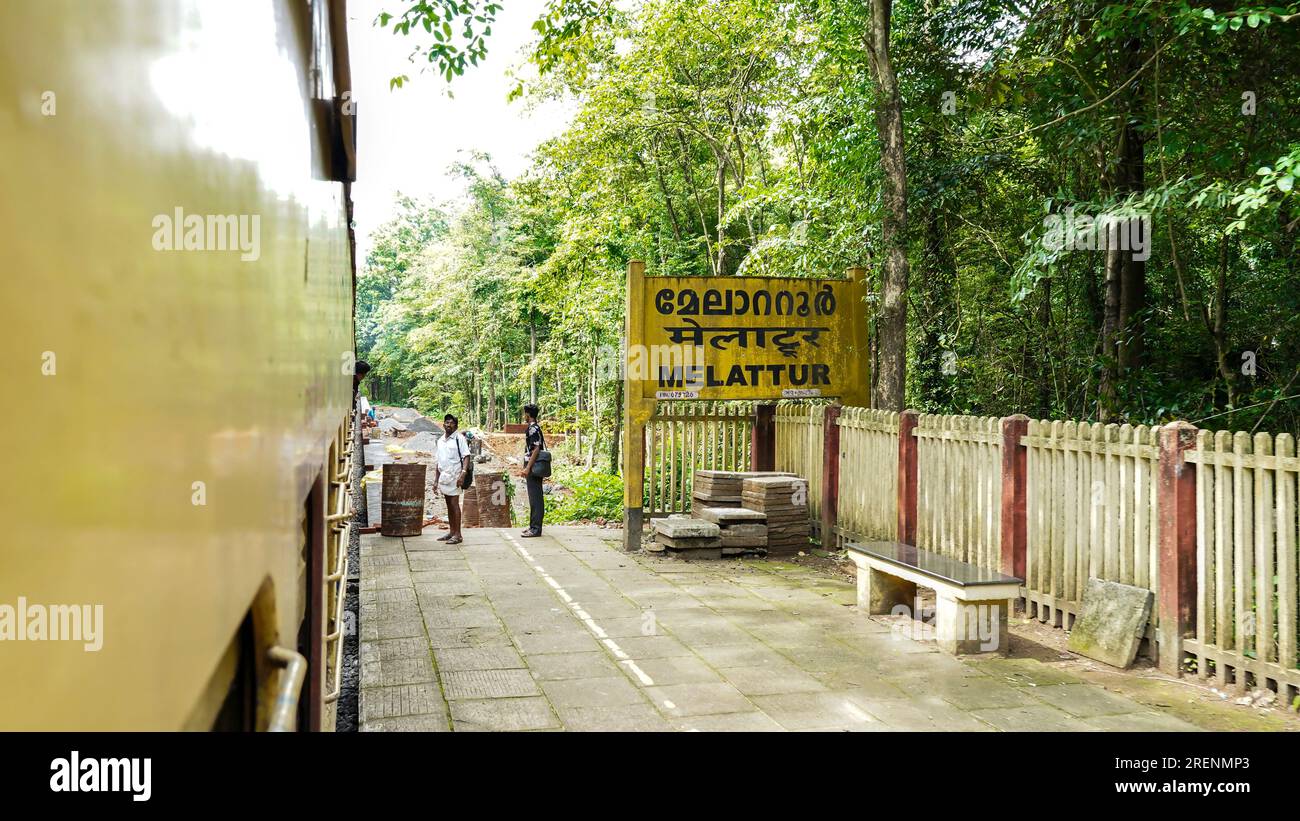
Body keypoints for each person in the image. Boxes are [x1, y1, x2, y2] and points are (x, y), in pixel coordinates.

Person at [434, 413, 471, 544]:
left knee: (454, 504)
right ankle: (451, 532)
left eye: (451, 423)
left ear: (456, 426)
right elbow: (438, 462)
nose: (448, 425)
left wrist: (463, 474)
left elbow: (466, 456)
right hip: (445, 477)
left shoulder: (459, 438)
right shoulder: (440, 441)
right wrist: (436, 480)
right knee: (449, 504)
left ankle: (458, 535)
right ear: (443, 424)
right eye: (447, 422)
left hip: (456, 476)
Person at [517, 404, 545, 538]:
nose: (524, 416)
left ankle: (535, 529)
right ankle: (533, 526)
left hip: (533, 467)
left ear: (528, 415)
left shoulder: (533, 428)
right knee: (534, 497)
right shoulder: (534, 428)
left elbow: (536, 449)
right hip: (533, 466)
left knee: (535, 498)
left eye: (525, 414)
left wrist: (528, 468)